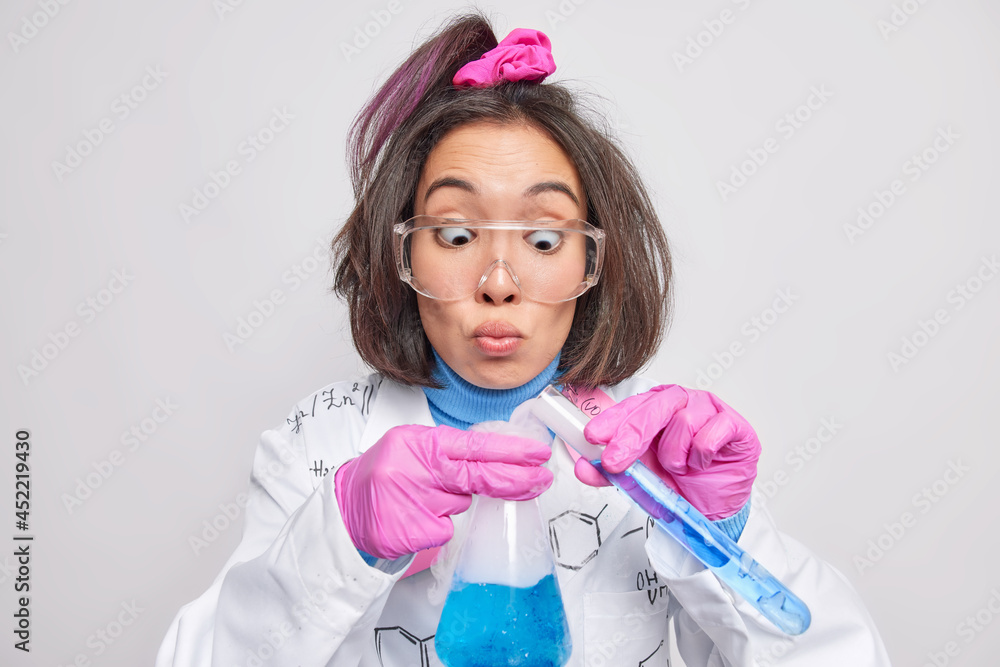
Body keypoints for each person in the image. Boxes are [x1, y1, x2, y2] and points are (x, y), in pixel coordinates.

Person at [157, 10, 890, 666]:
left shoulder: (657, 462)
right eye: (454, 232)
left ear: (594, 263)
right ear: (402, 254)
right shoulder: (318, 447)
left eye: (543, 238)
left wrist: (722, 532)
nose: (499, 280)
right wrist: (339, 536)